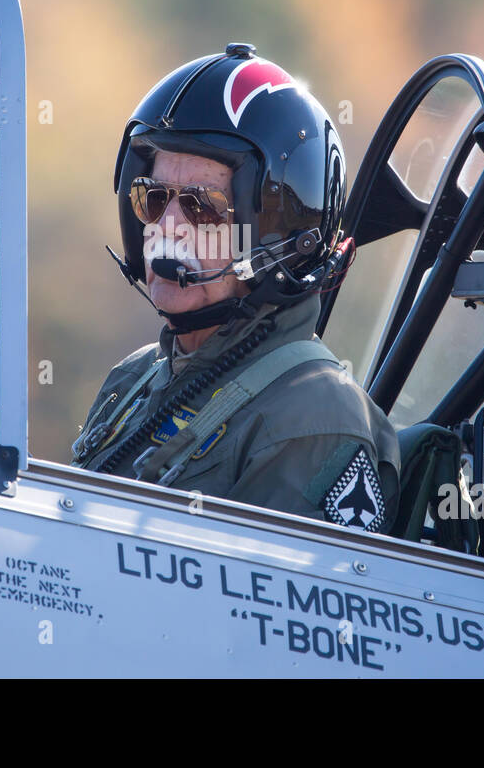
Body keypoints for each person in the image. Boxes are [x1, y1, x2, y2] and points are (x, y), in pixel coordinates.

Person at [71, 43, 400, 533]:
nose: (170, 226)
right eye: (153, 197)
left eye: (203, 206)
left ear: (282, 233)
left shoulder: (315, 417)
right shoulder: (133, 381)